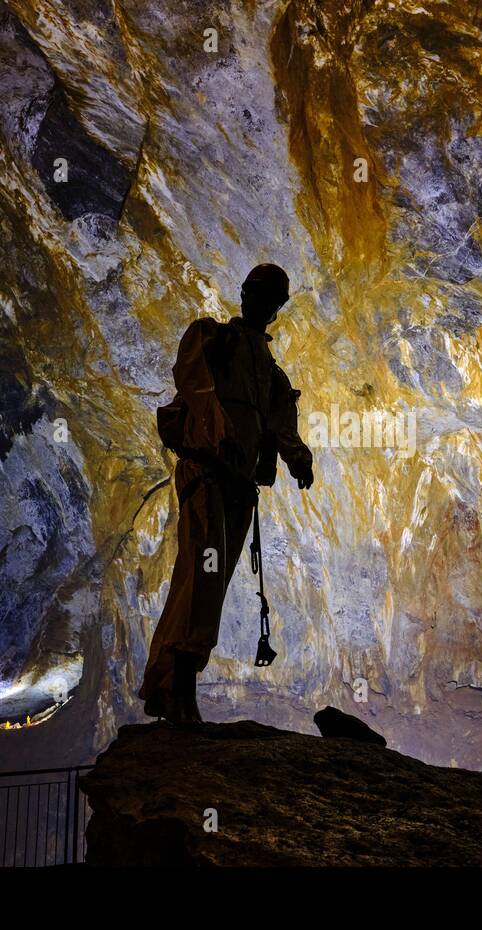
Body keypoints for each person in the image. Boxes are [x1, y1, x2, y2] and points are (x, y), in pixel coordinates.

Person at [139, 264, 314, 724]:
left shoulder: (271, 373)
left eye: (271, 299)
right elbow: (194, 382)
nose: (263, 304)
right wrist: (222, 435)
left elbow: (280, 420)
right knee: (199, 576)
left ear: (276, 309)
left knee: (210, 586)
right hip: (207, 473)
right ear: (243, 294)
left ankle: (175, 692)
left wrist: (298, 457)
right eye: (258, 293)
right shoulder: (212, 337)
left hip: (238, 486)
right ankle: (177, 696)